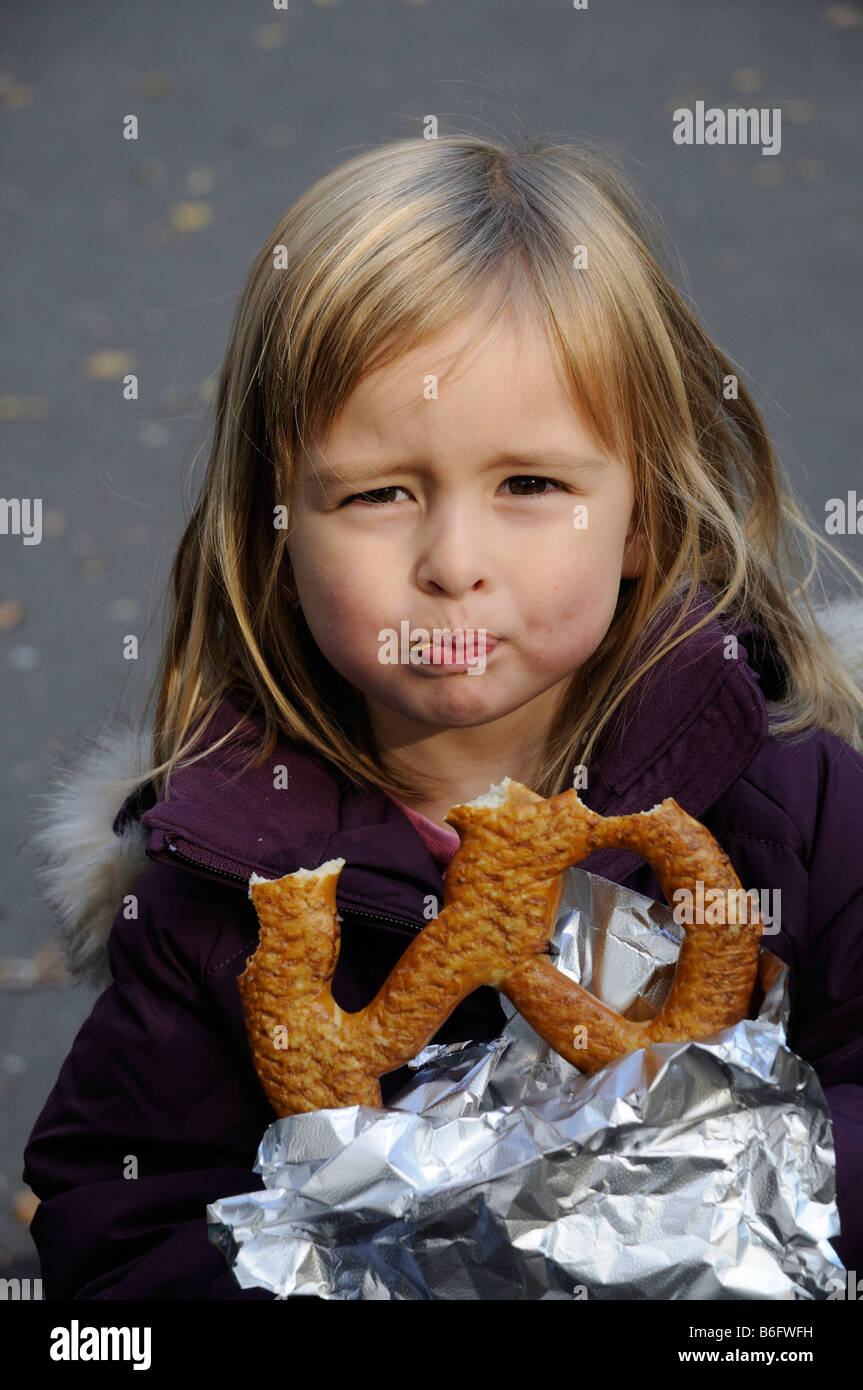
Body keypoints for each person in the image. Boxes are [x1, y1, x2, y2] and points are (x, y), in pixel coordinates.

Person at [22, 133, 863, 1299]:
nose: (452, 562)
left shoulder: (794, 806)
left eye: (529, 485)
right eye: (378, 494)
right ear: (275, 539)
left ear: (638, 519)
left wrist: (718, 1193)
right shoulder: (225, 893)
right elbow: (114, 1222)